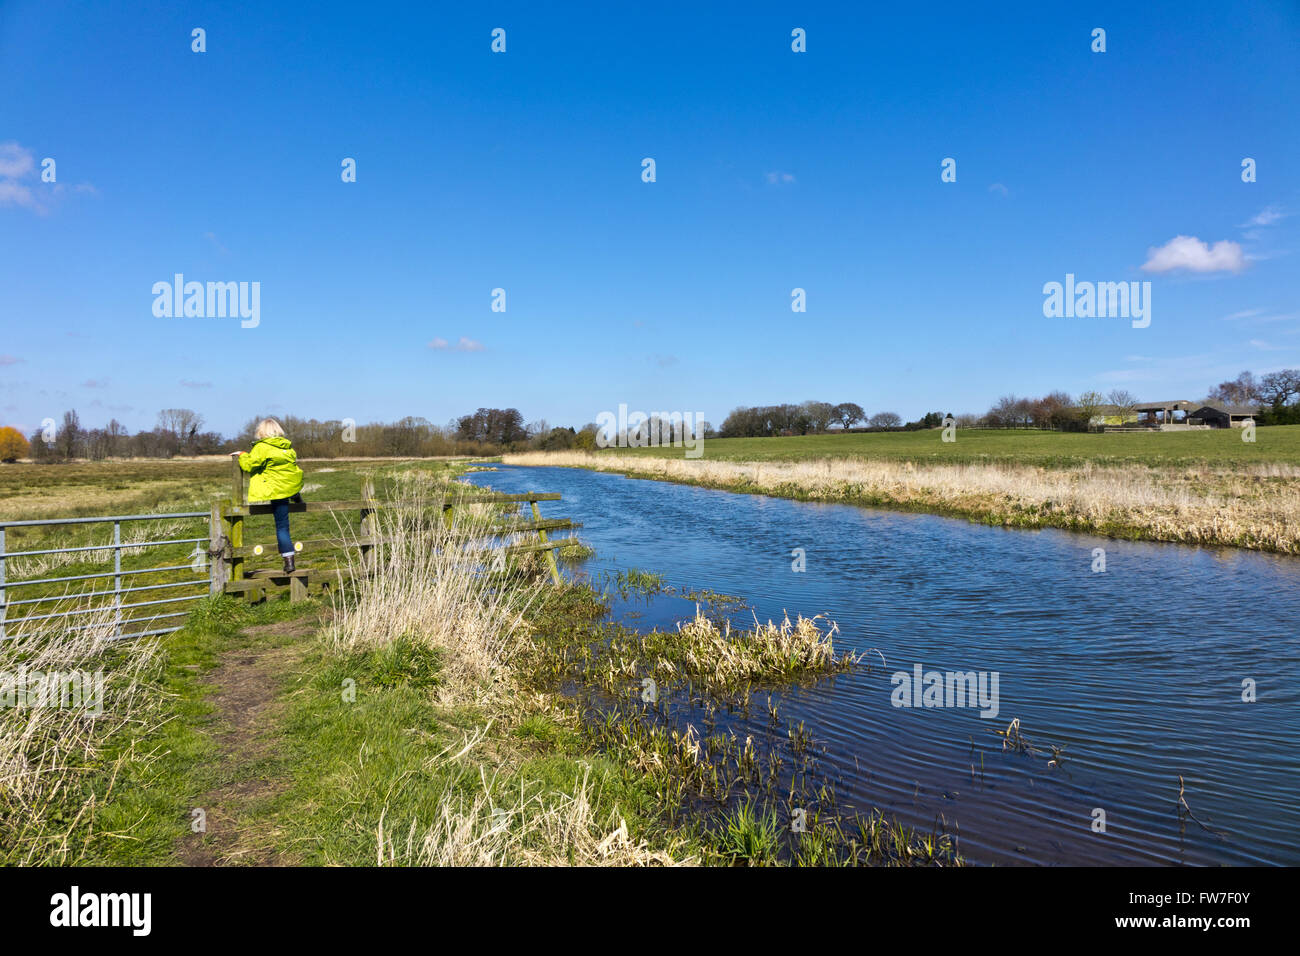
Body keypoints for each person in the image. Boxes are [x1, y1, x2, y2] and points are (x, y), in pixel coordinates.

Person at [232, 418, 305, 572]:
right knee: (283, 525)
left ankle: (289, 562)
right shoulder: (287, 448)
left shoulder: (262, 447)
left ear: (261, 432)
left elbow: (249, 465)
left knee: (282, 527)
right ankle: (295, 494)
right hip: (287, 486)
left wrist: (242, 454)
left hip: (276, 491)